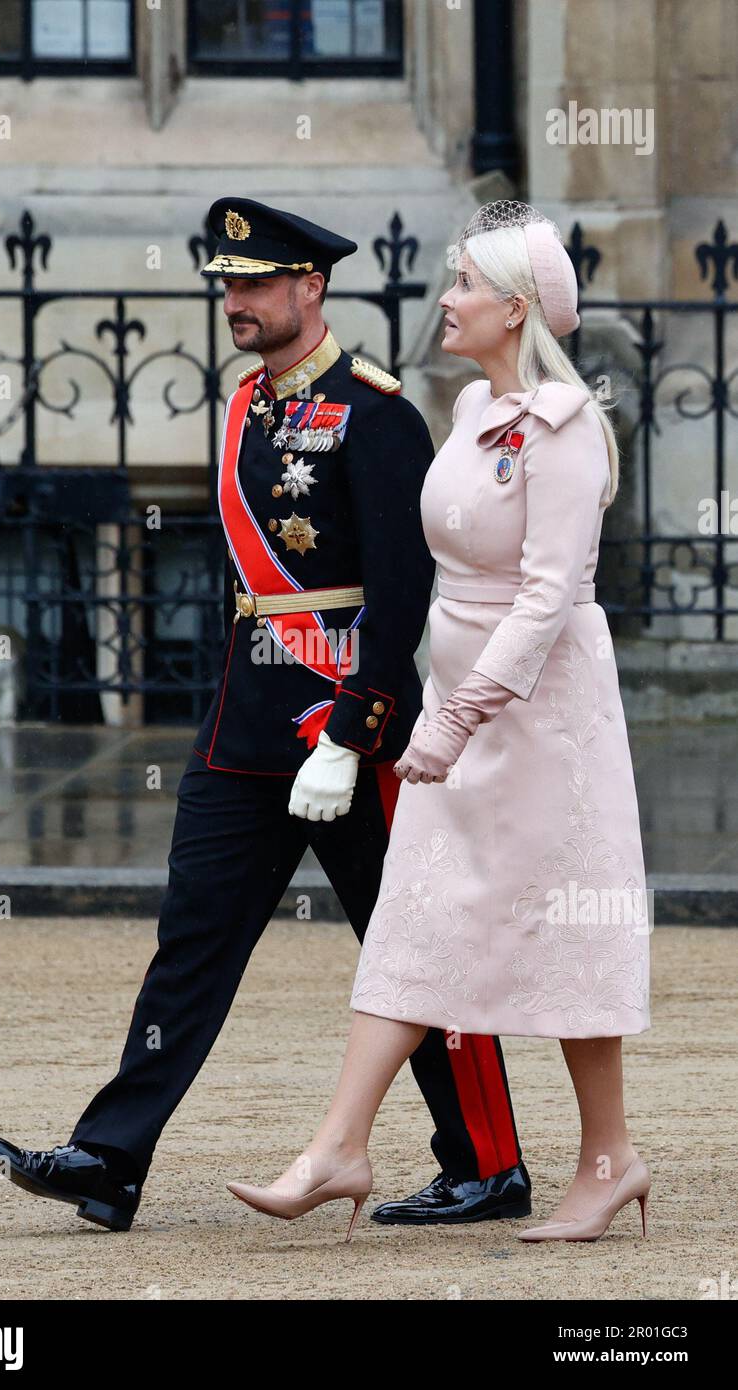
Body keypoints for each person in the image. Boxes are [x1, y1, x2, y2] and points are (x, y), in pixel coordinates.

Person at [0, 198, 529, 1233]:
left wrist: (352, 730)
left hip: (349, 729)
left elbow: (400, 595)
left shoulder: (376, 414)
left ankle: (487, 1164)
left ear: (308, 289)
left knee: (413, 945)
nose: (233, 301)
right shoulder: (246, 405)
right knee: (190, 942)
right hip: (243, 724)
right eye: (226, 283)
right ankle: (109, 1156)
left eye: (253, 283)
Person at [226, 201, 652, 1244]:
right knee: (415, 914)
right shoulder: (469, 413)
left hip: (536, 716)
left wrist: (452, 718)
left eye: (463, 284)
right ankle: (339, 1144)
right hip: (456, 707)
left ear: (513, 309)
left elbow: (547, 599)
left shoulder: (563, 430)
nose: (445, 299)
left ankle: (608, 1160)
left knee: (564, 930)